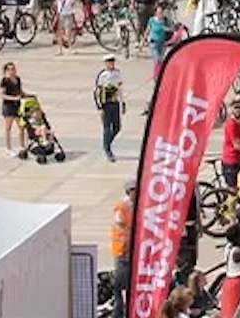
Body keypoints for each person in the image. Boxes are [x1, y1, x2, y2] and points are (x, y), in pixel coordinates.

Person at [112, 180, 137, 318]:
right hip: (122, 251)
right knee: (121, 288)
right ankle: (118, 314)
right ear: (129, 192)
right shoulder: (122, 206)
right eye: (134, 190)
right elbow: (120, 223)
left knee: (128, 287)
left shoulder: (135, 204)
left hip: (130, 251)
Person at [94, 54, 126, 162]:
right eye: (109, 62)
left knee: (117, 127)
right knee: (107, 128)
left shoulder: (117, 73)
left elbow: (120, 89)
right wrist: (99, 107)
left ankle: (107, 143)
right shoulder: (102, 75)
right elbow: (97, 92)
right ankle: (107, 149)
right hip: (105, 104)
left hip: (115, 102)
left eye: (112, 62)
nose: (111, 64)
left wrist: (123, 103)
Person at [0, 62, 25, 156]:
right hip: (8, 106)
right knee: (8, 128)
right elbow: (2, 95)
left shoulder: (17, 79)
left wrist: (24, 95)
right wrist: (13, 98)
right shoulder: (5, 81)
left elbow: (20, 90)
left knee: (21, 126)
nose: (12, 71)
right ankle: (8, 148)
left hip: (18, 106)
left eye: (13, 69)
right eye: (9, 69)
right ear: (6, 71)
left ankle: (22, 146)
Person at [220, 99, 240, 190]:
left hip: (237, 159)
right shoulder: (232, 125)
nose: (238, 110)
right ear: (231, 109)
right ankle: (228, 204)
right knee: (233, 190)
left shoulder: (238, 123)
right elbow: (237, 145)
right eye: (235, 107)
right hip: (231, 161)